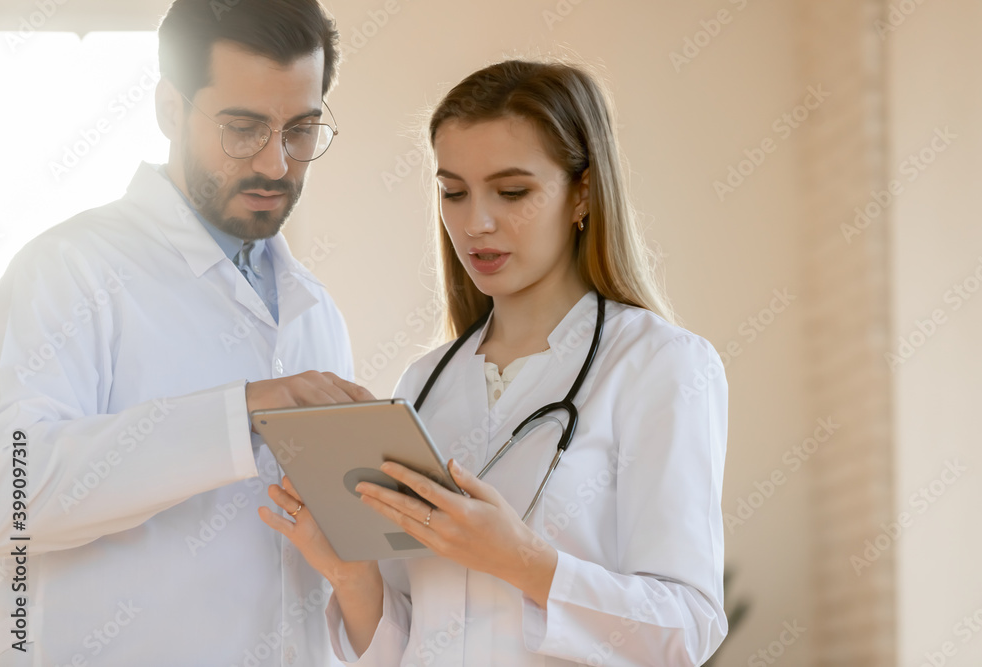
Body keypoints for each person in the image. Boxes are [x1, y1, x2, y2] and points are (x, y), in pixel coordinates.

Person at [262, 60, 729, 666]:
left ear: (583, 193)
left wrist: (520, 559)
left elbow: (687, 628)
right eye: (454, 193)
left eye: (512, 192)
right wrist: (349, 572)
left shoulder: (660, 365)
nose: (475, 223)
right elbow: (404, 645)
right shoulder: (424, 382)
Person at [0, 1, 364, 664]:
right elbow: (11, 497)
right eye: (243, 129)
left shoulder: (317, 312)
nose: (276, 164)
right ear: (170, 109)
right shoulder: (69, 269)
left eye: (301, 131)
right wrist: (240, 410)